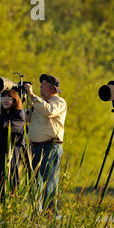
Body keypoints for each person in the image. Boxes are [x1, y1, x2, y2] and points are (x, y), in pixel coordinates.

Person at [24, 74, 67, 213]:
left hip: (51, 146)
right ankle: (35, 213)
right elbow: (26, 118)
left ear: (52, 88)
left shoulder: (59, 102)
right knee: (34, 182)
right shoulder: (38, 103)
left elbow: (49, 111)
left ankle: (49, 215)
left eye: (43, 84)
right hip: (35, 147)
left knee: (49, 182)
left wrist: (32, 95)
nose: (40, 87)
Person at [0, 89, 26, 201]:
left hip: (13, 150)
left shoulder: (19, 114)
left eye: (9, 98)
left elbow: (6, 126)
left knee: (13, 179)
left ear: (14, 100)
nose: (5, 100)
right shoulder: (3, 114)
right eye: (3, 97)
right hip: (0, 149)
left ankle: (13, 207)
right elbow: (0, 130)